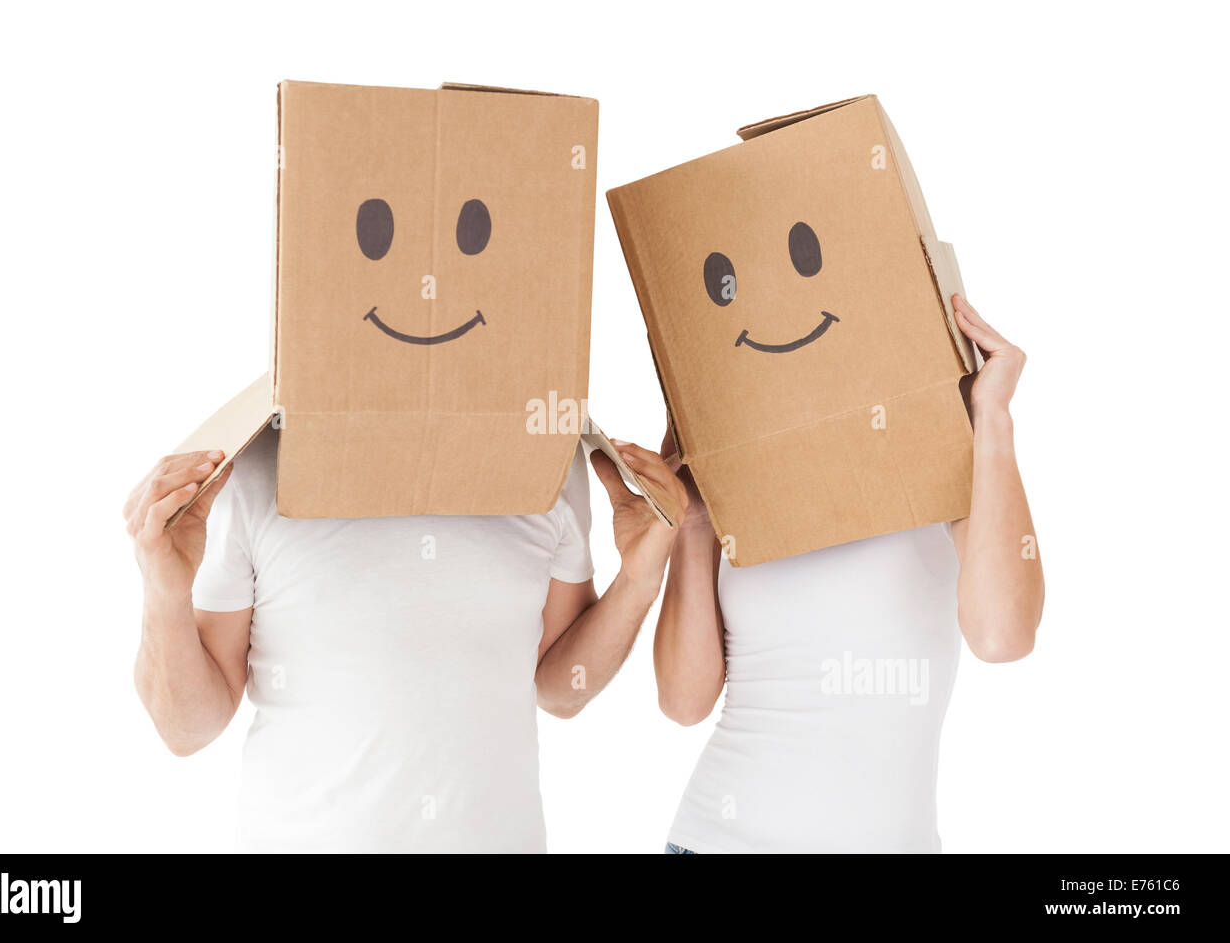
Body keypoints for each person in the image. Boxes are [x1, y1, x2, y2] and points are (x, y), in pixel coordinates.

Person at [124, 428, 686, 853]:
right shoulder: (257, 465)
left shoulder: (546, 460)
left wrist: (638, 581)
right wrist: (164, 593)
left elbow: (561, 689)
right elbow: (187, 728)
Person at [655, 295, 1043, 853]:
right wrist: (691, 519)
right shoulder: (738, 465)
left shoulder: (935, 448)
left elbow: (1003, 637)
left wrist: (992, 415)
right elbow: (683, 703)